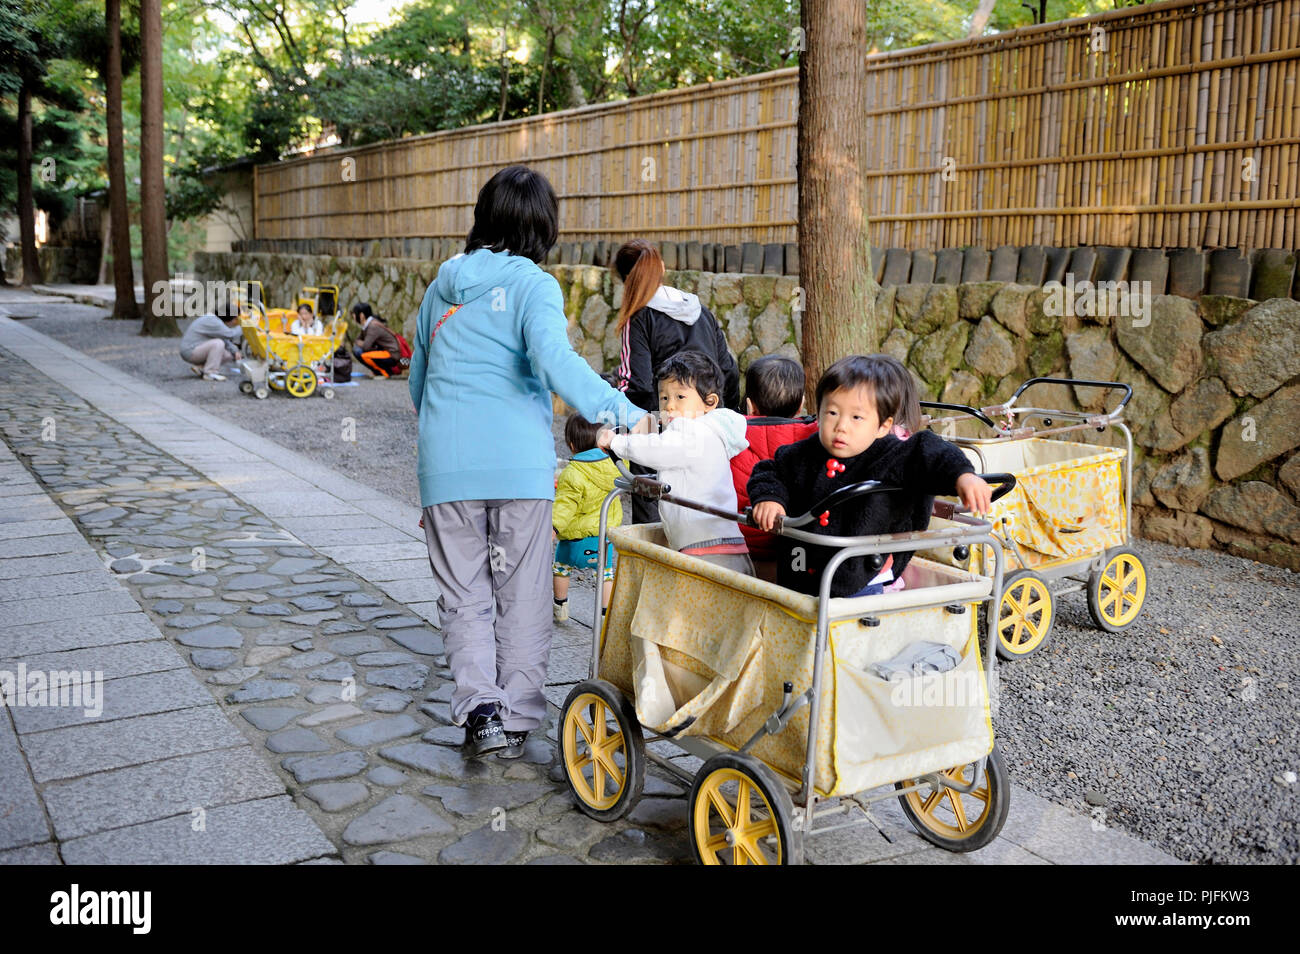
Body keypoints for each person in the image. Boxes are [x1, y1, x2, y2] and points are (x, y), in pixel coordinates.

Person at [410, 164, 649, 760]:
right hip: (518, 467)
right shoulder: (533, 285)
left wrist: (442, 454)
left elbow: (418, 382)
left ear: (483, 216)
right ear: (544, 226)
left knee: (463, 594)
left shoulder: (440, 286)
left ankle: (481, 713)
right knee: (522, 591)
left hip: (448, 467)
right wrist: (624, 413)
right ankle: (517, 715)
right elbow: (555, 363)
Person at [748, 354, 992, 599]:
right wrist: (770, 498)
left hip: (860, 578)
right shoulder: (805, 453)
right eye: (832, 412)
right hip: (798, 571)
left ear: (883, 426)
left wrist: (963, 475)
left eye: (856, 417)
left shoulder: (893, 455)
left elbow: (931, 452)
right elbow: (770, 470)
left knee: (852, 631)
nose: (841, 425)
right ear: (818, 411)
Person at [611, 239, 740, 524]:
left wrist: (622, 427)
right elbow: (729, 370)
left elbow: (638, 384)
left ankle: (654, 564)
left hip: (661, 425)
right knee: (700, 502)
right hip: (707, 423)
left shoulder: (639, 315)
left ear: (624, 280)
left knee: (653, 511)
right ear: (663, 269)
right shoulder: (701, 312)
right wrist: (726, 418)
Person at [599, 350, 754, 576]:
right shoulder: (714, 433)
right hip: (724, 543)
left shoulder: (692, 430)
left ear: (709, 402)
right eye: (664, 398)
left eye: (680, 397)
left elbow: (658, 450)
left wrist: (617, 442)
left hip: (704, 546)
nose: (669, 406)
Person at [729, 355, 819, 580]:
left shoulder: (731, 433)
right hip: (793, 548)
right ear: (801, 404)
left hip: (740, 544)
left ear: (749, 405)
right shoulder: (814, 435)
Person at [551, 412, 621, 623]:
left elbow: (565, 506)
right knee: (605, 573)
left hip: (574, 539)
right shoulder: (615, 467)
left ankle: (560, 606)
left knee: (561, 568)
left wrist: (553, 528)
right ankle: (604, 613)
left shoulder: (572, 472)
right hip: (602, 537)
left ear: (572, 445)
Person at [179, 303, 243, 381]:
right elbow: (230, 334)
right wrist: (243, 326)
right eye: (236, 319)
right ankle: (210, 373)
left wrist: (235, 351)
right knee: (218, 343)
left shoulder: (214, 319)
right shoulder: (213, 321)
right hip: (189, 351)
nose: (236, 322)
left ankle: (201, 367)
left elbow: (224, 337)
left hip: (195, 349)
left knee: (229, 355)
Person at [352, 303, 403, 377]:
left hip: (392, 354)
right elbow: (359, 340)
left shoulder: (372, 327)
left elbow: (366, 346)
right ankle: (380, 371)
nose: (353, 316)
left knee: (360, 353)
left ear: (361, 315)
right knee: (358, 350)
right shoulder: (368, 325)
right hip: (386, 352)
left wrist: (358, 342)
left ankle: (384, 372)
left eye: (354, 314)